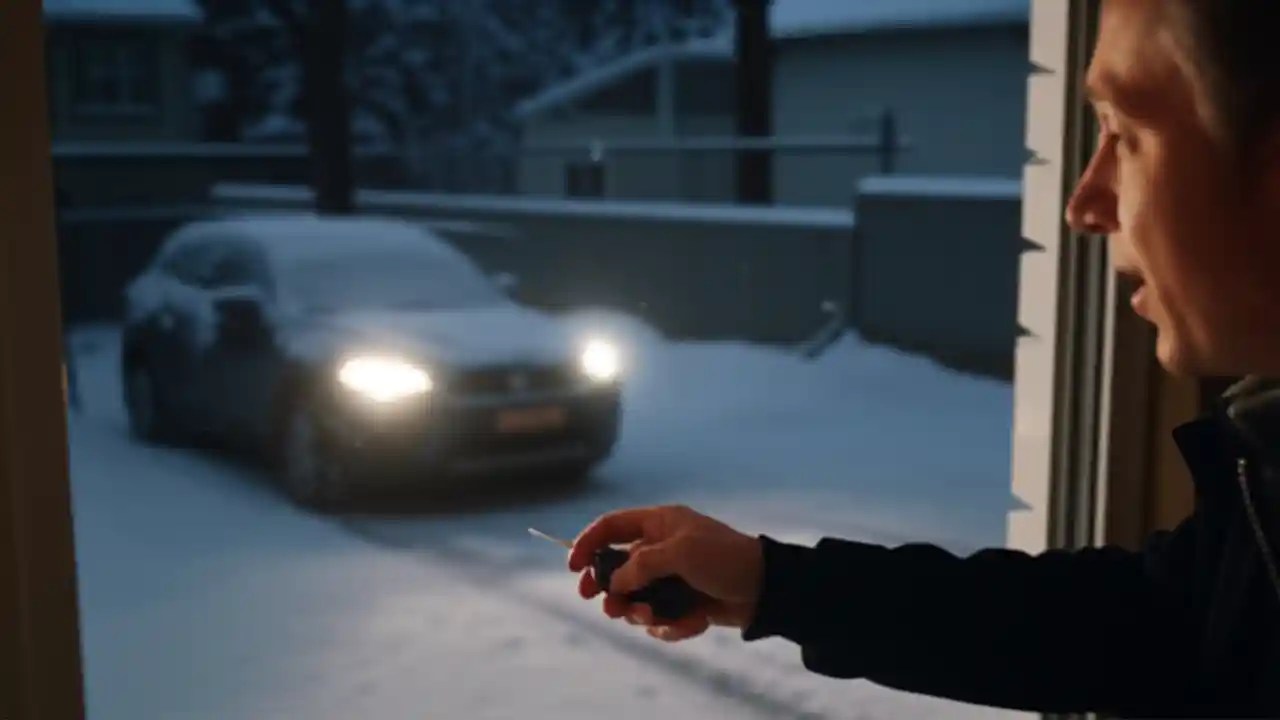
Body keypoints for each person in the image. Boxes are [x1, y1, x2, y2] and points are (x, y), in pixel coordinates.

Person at [567, 0, 1280, 716]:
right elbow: (1145, 623)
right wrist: (772, 583)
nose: (1086, 204)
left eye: (1122, 134)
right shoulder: (1263, 465)